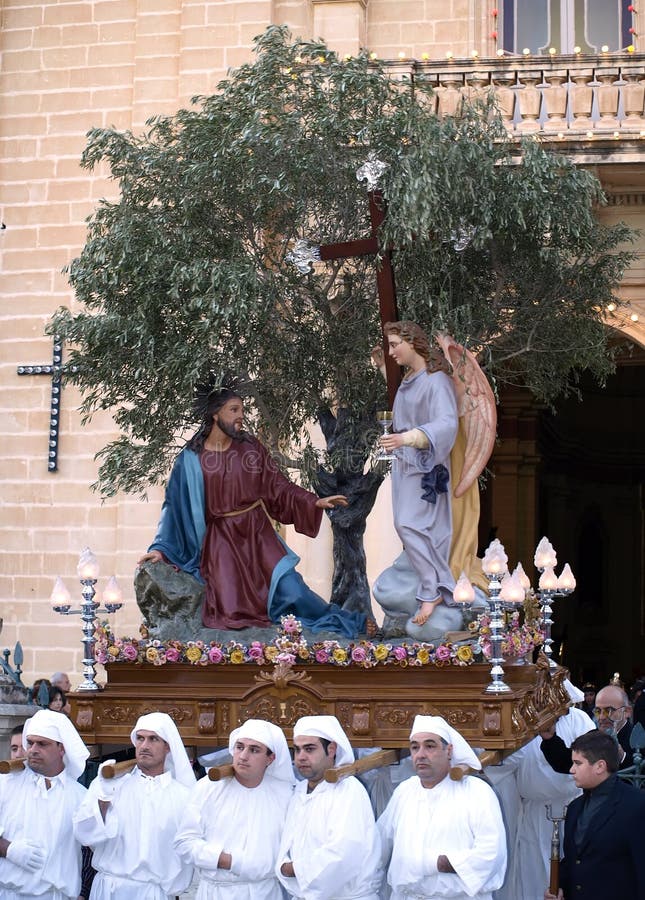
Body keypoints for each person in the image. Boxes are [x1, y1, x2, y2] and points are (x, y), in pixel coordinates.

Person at [138, 386, 371, 637]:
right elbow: (173, 507)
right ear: (215, 414)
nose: (241, 416)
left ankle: (346, 622)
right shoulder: (190, 460)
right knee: (229, 609)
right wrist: (160, 549)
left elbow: (277, 485)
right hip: (223, 544)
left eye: (243, 410)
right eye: (234, 410)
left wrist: (313, 501)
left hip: (258, 537)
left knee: (293, 591)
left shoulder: (249, 448)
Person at [377, 321, 460, 625]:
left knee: (411, 525)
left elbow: (447, 423)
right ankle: (429, 587)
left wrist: (406, 438)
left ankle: (433, 590)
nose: (391, 351)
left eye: (395, 344)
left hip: (427, 468)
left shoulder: (436, 381)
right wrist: (394, 441)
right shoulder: (408, 381)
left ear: (413, 343)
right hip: (405, 467)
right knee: (408, 527)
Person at [378, 714, 506, 900]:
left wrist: (431, 863)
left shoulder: (477, 792)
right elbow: (377, 846)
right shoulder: (404, 791)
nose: (420, 754)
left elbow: (490, 855)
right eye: (415, 747)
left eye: (429, 746)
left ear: (449, 750)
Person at [487, 682, 595, 900]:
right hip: (536, 813)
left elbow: (585, 761)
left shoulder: (578, 719)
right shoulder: (523, 721)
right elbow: (502, 764)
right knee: (534, 876)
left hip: (573, 809)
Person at [73, 711, 195, 899]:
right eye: (140, 738)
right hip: (108, 890)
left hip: (154, 893)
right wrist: (104, 797)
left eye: (153, 739)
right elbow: (85, 835)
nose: (144, 746)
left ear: (168, 747)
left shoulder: (183, 796)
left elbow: (188, 853)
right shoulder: (108, 784)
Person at [175, 718, 294, 898]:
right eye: (239, 747)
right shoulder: (208, 787)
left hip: (265, 893)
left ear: (270, 758)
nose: (243, 756)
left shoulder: (285, 794)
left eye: (254, 750)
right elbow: (184, 843)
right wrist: (228, 861)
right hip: (215, 892)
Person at [276, 714, 382, 898]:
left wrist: (293, 869)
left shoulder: (349, 791)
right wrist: (283, 866)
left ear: (331, 749)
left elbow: (342, 855)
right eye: (297, 750)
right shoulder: (299, 791)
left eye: (309, 749)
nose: (301, 757)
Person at [544, 730, 645, 900]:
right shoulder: (575, 807)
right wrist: (559, 887)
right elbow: (573, 860)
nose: (571, 770)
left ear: (600, 766)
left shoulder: (636, 805)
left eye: (578, 763)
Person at [0, 708, 89, 899]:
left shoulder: (80, 796)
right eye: (30, 743)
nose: (32, 750)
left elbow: (93, 852)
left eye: (42, 744)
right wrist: (8, 849)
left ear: (61, 748)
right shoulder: (5, 784)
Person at [541, 683, 634, 772]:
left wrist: (623, 757)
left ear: (626, 711)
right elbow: (566, 763)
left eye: (609, 710)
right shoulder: (592, 737)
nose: (601, 717)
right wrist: (550, 739)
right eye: (598, 711)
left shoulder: (639, 738)